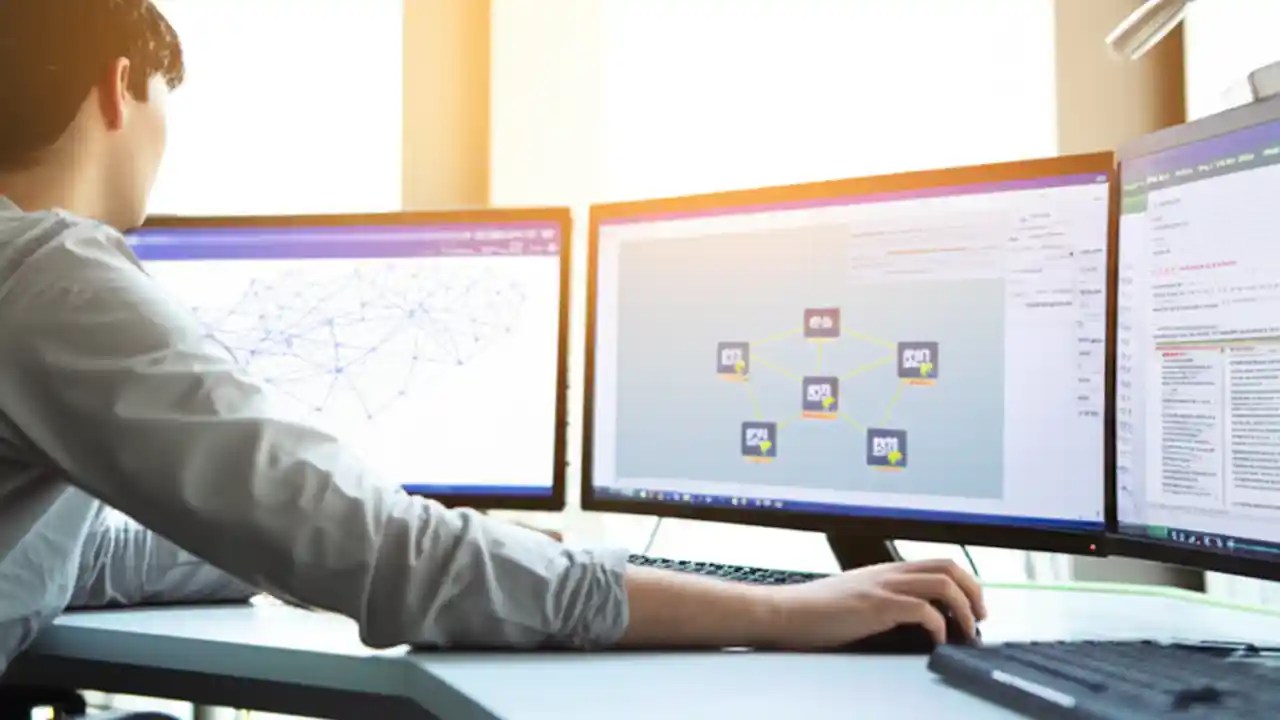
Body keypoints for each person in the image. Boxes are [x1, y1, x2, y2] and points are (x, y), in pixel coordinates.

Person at [0, 0, 986, 680]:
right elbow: (380, 559)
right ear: (120, 87)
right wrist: (786, 611)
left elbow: (67, 558)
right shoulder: (49, 275)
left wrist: (317, 540)